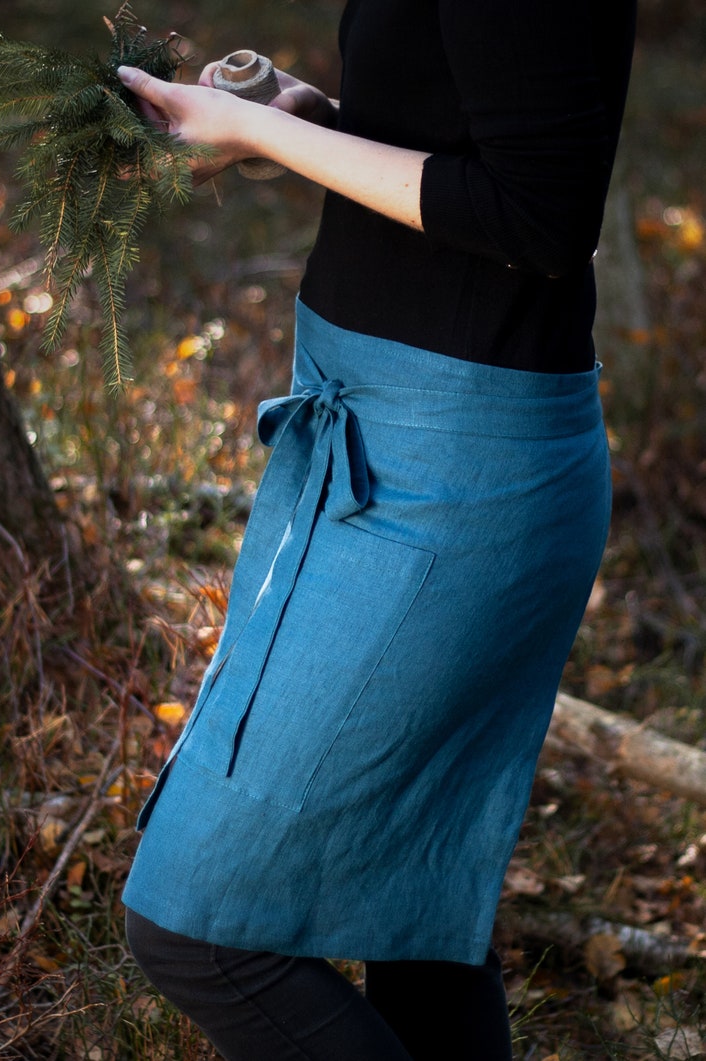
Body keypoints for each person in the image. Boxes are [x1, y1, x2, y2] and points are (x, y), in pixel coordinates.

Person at [119, 1, 637, 1057]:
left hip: (447, 474)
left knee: (199, 930)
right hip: (385, 431)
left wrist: (263, 135)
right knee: (415, 916)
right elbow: (486, 132)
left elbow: (537, 213)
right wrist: (302, 111)